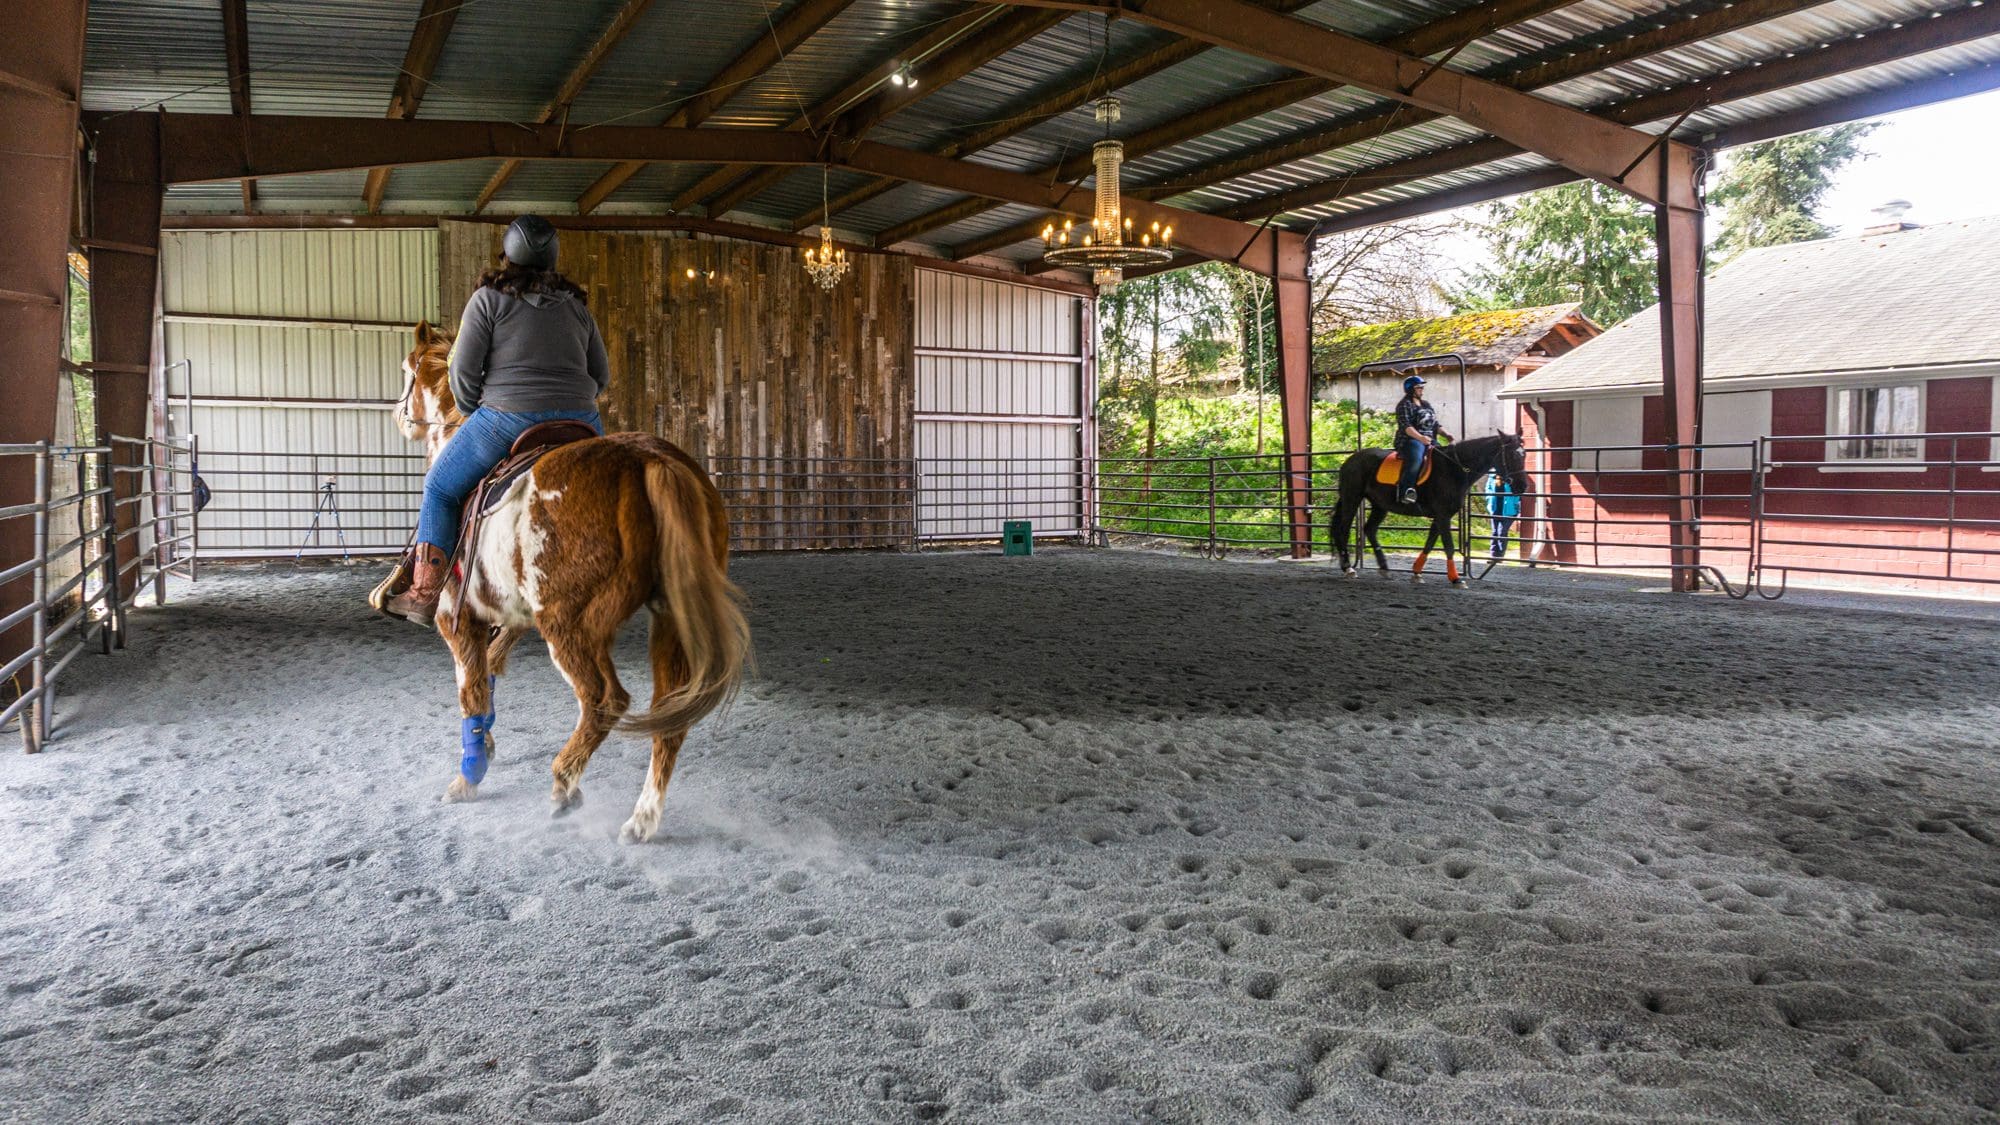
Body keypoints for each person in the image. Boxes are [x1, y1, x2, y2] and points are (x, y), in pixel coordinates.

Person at [384, 215, 610, 626]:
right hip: (582, 421)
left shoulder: (488, 300)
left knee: (439, 488)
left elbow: (463, 374)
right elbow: (602, 376)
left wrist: (473, 410)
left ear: (508, 255)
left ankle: (423, 591)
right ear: (553, 258)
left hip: (507, 418)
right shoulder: (577, 308)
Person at [1393, 374, 1450, 505]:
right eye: (1419, 388)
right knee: (1416, 460)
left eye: (1422, 388)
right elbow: (1405, 426)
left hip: (1429, 440)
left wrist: (1447, 435)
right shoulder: (1404, 405)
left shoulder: (1426, 404)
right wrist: (1420, 438)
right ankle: (1406, 491)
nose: (1421, 390)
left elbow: (1435, 424)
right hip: (1410, 440)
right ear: (1411, 389)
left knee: (1444, 457)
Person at [1485, 468, 1521, 558]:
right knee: (1495, 532)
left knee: (1502, 532)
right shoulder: (1492, 476)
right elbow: (1488, 488)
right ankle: (1493, 555)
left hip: (1509, 510)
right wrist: (1489, 499)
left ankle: (1500, 555)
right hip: (1495, 509)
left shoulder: (1512, 476)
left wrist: (1515, 503)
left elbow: (1517, 491)